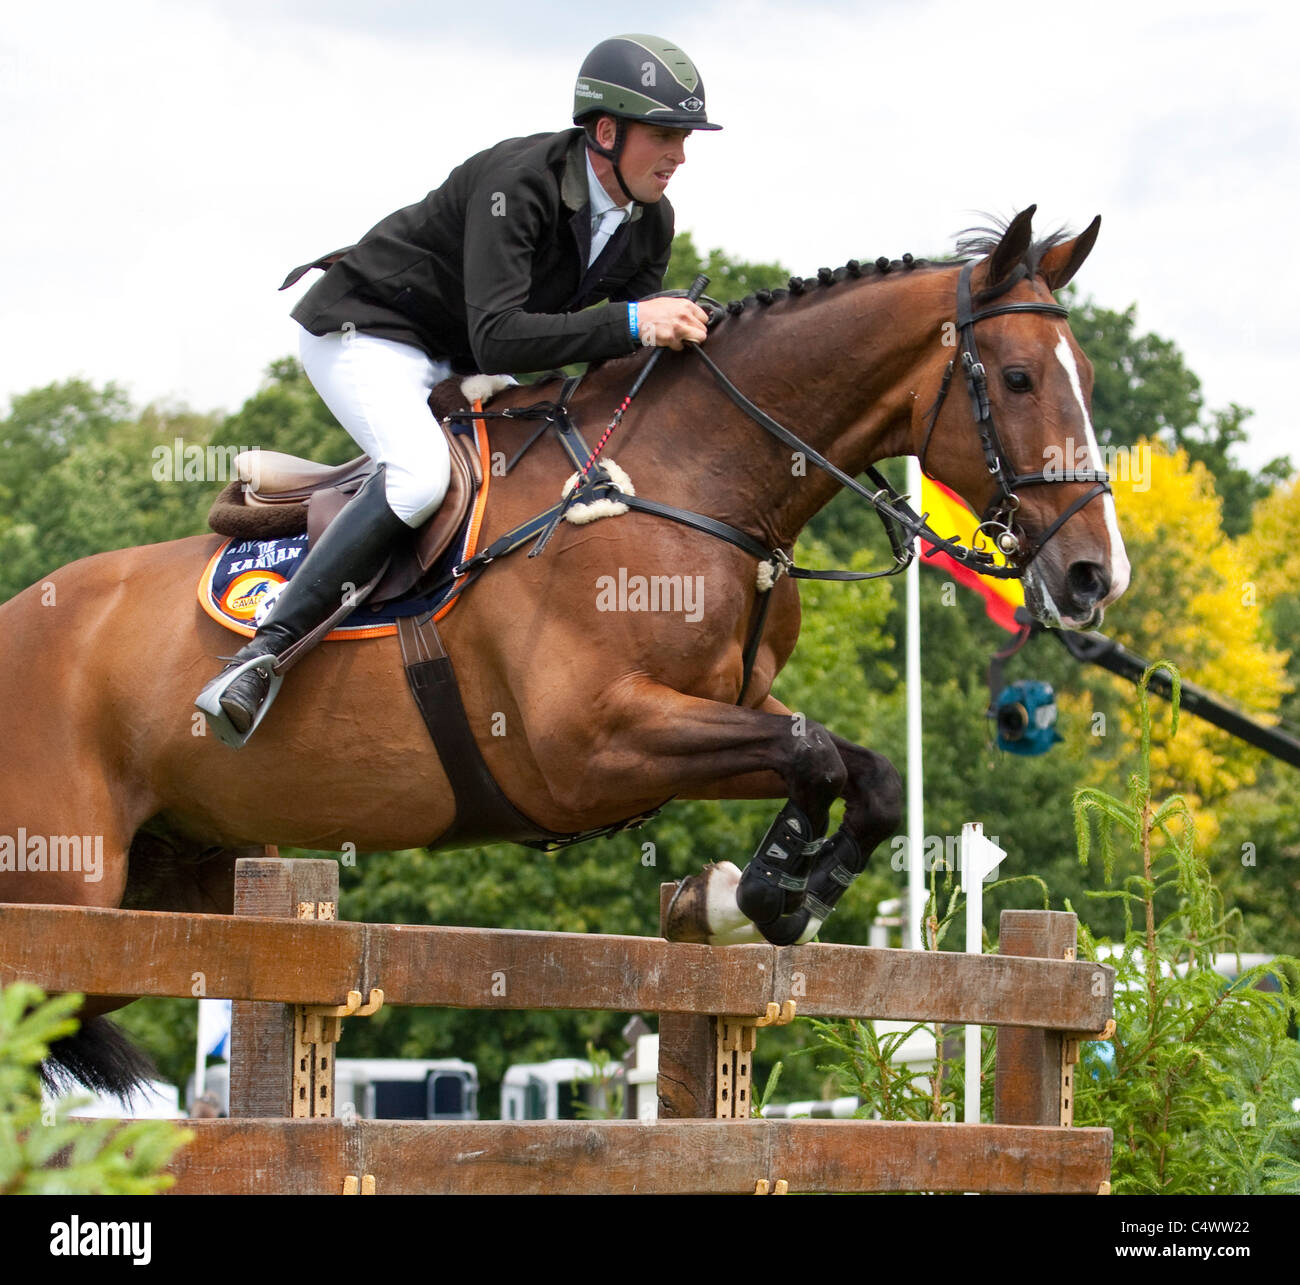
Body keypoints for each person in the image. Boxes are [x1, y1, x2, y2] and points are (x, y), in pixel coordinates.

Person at [196, 33, 718, 745]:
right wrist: (633, 320)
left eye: (683, 137)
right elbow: (508, 335)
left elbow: (603, 360)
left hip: (459, 355)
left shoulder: (650, 221)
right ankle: (261, 655)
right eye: (665, 135)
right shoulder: (520, 183)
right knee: (418, 479)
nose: (679, 156)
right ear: (606, 131)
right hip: (370, 333)